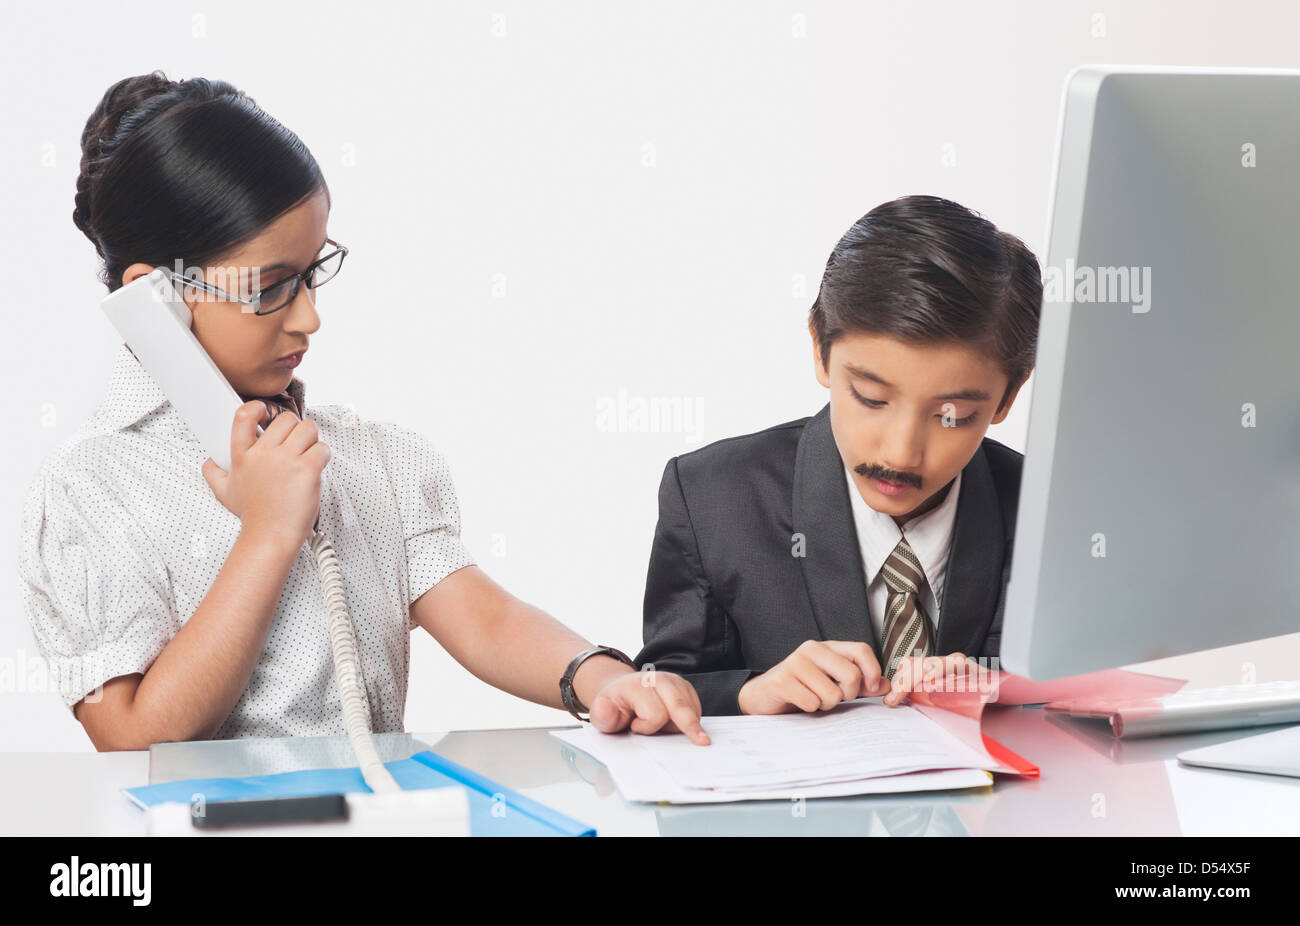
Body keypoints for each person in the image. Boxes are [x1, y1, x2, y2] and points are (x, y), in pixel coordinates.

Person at [18, 71, 708, 749]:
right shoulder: (92, 491)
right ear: (156, 300)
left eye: (313, 273)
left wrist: (602, 677)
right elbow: (135, 735)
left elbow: (482, 617)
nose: (310, 319)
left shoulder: (369, 457)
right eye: (271, 288)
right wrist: (266, 535)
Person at [635, 195, 1043, 715]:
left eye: (952, 416)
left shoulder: (1045, 516)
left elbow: (1086, 701)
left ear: (1008, 397)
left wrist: (1003, 691)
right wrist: (748, 694)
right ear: (819, 351)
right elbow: (659, 693)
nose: (900, 453)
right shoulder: (712, 498)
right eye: (871, 399)